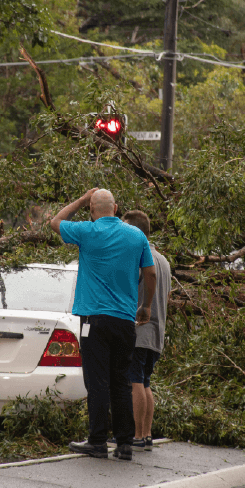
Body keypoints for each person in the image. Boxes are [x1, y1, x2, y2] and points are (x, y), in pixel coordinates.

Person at [50, 188, 156, 461]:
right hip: (124, 321)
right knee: (121, 382)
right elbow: (150, 272)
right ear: (116, 208)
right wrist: (146, 305)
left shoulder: (86, 231)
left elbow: (55, 221)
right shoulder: (137, 236)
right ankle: (125, 444)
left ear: (91, 209)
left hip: (93, 320)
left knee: (97, 381)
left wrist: (82, 199)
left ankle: (97, 441)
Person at [121, 210, 170, 451]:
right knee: (145, 382)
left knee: (134, 382)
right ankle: (147, 434)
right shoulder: (163, 260)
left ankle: (137, 435)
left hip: (140, 331)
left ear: (135, 231)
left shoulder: (140, 256)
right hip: (157, 334)